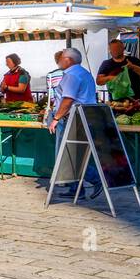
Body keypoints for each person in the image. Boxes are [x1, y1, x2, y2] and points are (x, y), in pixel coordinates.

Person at [47, 47, 102, 200]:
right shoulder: (84, 73)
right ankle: (76, 188)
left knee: (70, 154)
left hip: (73, 118)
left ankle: (96, 178)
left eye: (62, 57)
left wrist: (56, 118)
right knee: (74, 153)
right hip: (84, 116)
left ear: (68, 60)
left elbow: (68, 99)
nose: (59, 60)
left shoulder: (71, 75)